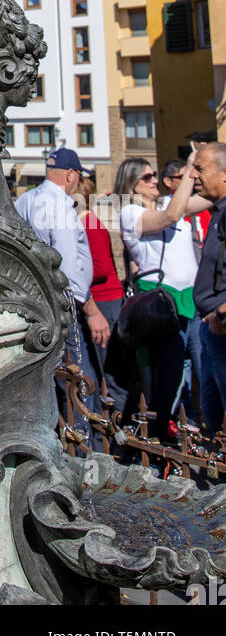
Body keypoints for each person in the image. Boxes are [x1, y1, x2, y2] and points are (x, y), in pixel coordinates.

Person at [116, 154, 208, 442]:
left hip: (187, 299)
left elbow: (209, 200)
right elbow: (170, 218)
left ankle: (167, 428)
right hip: (158, 303)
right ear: (131, 184)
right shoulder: (130, 213)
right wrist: (192, 169)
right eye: (147, 177)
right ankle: (153, 438)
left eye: (154, 175)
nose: (154, 180)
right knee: (165, 374)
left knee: (193, 369)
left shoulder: (171, 203)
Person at [15, 149, 109, 430]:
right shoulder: (60, 207)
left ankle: (62, 435)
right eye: (78, 177)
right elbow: (68, 270)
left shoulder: (26, 200)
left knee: (52, 375)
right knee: (78, 377)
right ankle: (82, 445)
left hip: (35, 301)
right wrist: (91, 310)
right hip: (64, 306)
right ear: (70, 175)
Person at [77, 174, 129, 418]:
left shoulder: (89, 224)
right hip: (99, 299)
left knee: (111, 368)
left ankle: (119, 423)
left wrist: (72, 274)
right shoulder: (84, 222)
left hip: (105, 300)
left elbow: (101, 268)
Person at [161, 157, 208, 424]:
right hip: (181, 301)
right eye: (186, 177)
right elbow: (173, 212)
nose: (194, 181)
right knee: (184, 369)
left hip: (199, 300)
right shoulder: (169, 207)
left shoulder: (205, 205)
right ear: (170, 182)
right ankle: (188, 420)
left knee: (203, 367)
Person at [191, 143, 226, 434]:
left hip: (222, 327)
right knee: (214, 420)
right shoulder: (218, 209)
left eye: (200, 169)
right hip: (212, 328)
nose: (193, 175)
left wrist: (221, 314)